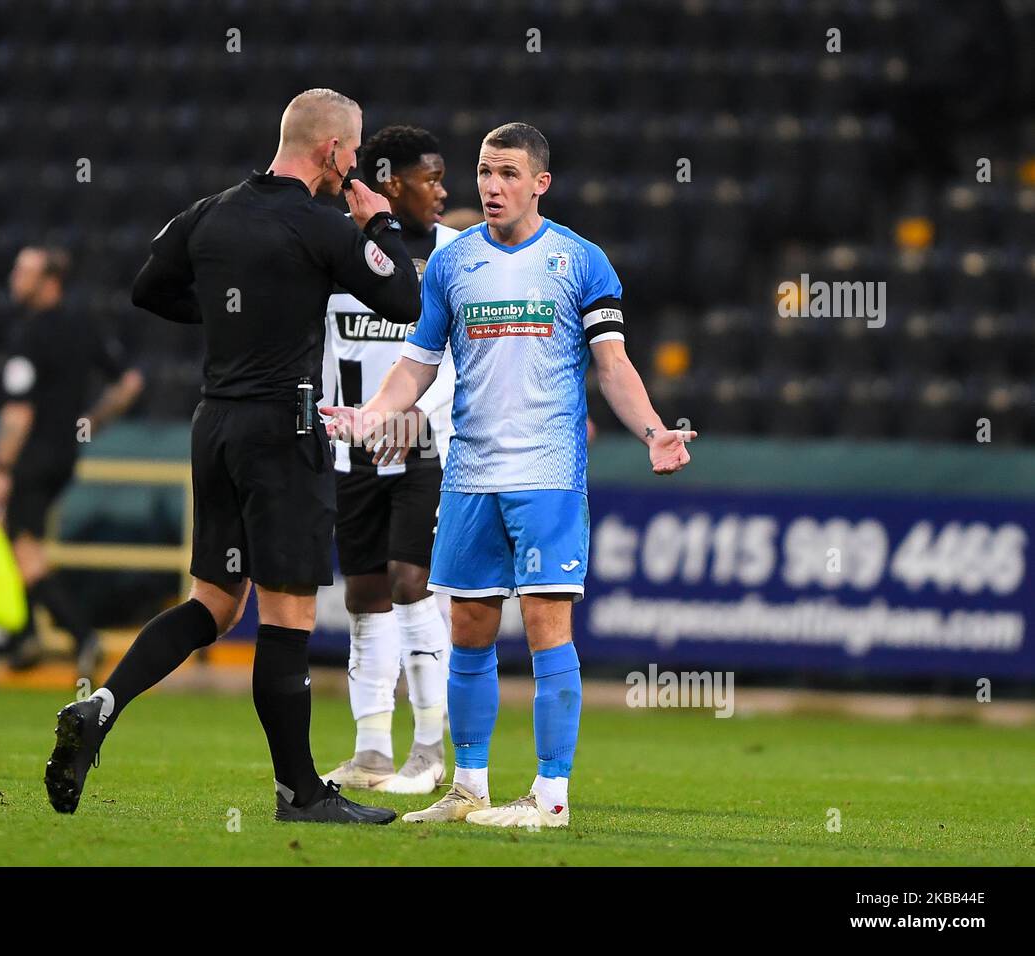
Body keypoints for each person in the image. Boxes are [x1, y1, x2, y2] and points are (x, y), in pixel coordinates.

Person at [44, 89, 420, 825]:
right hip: (284, 430)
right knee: (286, 617)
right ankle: (299, 794)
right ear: (334, 154)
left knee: (214, 604)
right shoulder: (321, 225)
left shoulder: (210, 211)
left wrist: (221, 313)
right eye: (355, 149)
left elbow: (149, 287)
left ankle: (102, 703)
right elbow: (403, 297)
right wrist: (375, 215)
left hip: (213, 424)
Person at [323, 123, 696, 829]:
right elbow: (419, 362)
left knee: (547, 626)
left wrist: (653, 432)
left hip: (546, 472)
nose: (491, 186)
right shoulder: (452, 263)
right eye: (484, 172)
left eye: (507, 174)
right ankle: (468, 788)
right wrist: (373, 414)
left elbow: (612, 365)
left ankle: (551, 797)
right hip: (469, 473)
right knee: (466, 624)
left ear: (539, 183)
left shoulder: (580, 261)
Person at [318, 125, 457, 795]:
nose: (444, 190)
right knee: (366, 593)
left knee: (411, 582)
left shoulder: (460, 255)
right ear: (392, 183)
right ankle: (372, 747)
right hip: (350, 447)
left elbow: (468, 352)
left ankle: (429, 748)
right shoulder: (337, 249)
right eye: (431, 178)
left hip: (427, 444)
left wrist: (423, 413)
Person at [0, 246, 144, 678]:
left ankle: (78, 636)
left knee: (25, 548)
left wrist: (1, 468)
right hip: (64, 455)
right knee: (16, 535)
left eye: (25, 272)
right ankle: (24, 638)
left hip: (32, 457)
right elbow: (129, 382)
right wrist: (91, 423)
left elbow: (18, 412)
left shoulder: (30, 334)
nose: (15, 279)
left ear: (49, 280)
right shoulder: (83, 325)